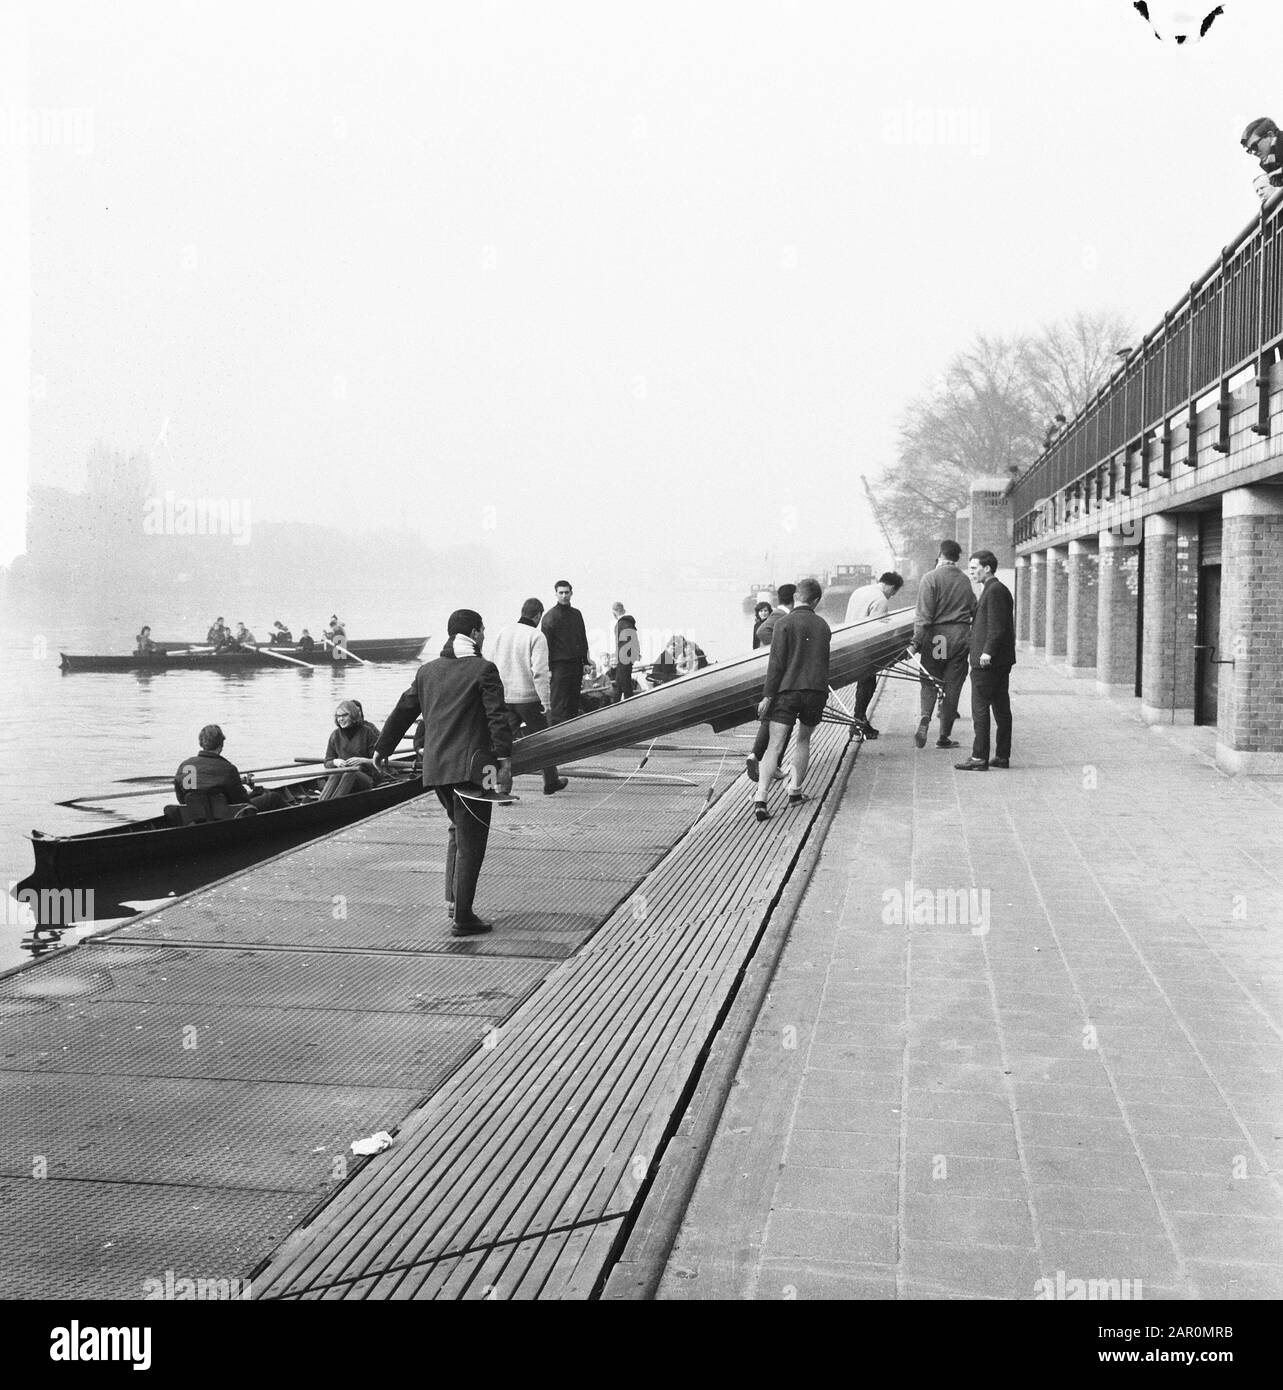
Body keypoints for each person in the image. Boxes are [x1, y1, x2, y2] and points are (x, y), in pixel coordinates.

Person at [373, 609, 513, 936]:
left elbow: (404, 709)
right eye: (482, 630)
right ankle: (463, 918)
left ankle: (454, 901)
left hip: (436, 771)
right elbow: (498, 719)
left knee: (457, 830)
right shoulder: (484, 670)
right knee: (472, 843)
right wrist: (505, 762)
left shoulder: (427, 671)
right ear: (476, 633)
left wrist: (382, 748)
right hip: (474, 771)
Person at [751, 577, 831, 823]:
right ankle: (794, 792)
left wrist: (767, 696)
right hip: (815, 691)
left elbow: (776, 665)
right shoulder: (823, 626)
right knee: (803, 741)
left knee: (775, 744)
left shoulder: (783, 623)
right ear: (816, 600)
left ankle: (761, 798)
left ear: (797, 596)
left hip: (787, 692)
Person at [492, 598, 568, 795]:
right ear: (538, 615)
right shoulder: (536, 636)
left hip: (505, 697)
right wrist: (545, 701)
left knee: (502, 744)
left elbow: (492, 663)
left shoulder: (504, 632)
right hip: (528, 699)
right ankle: (550, 781)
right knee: (544, 741)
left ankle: (501, 788)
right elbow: (540, 672)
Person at [911, 539, 977, 751]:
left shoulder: (930, 578)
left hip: (937, 639)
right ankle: (944, 736)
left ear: (940, 555)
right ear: (957, 558)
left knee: (930, 680)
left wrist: (915, 642)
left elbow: (923, 616)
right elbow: (974, 608)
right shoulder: (965, 580)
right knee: (952, 687)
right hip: (959, 637)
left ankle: (924, 716)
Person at [956, 549, 1015, 772]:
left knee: (980, 708)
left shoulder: (995, 591)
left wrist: (987, 652)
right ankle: (1001, 756)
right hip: (999, 662)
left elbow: (997, 626)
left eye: (973, 568)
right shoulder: (994, 589)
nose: (971, 572)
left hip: (987, 663)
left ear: (987, 568)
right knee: (1001, 708)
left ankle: (979, 757)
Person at [172, 724, 288, 819]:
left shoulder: (185, 766)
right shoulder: (228, 769)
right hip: (227, 816)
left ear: (201, 744)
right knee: (273, 797)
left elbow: (182, 799)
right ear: (221, 745)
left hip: (196, 815)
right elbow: (242, 802)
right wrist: (255, 793)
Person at [843, 571, 905, 739]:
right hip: (865, 648)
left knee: (862, 684)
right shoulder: (880, 600)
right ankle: (858, 722)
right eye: (894, 592)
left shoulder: (860, 591)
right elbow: (877, 632)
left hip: (849, 642)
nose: (892, 596)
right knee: (868, 685)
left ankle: (860, 721)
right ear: (891, 586)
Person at [745, 583, 797, 781]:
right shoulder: (780, 615)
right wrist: (782, 648)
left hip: (772, 673)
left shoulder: (780, 615)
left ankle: (755, 755)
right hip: (778, 675)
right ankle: (773, 765)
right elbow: (762, 632)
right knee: (785, 721)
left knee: (770, 718)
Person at [540, 580, 589, 723]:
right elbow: (546, 646)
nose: (564, 596)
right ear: (555, 594)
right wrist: (547, 669)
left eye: (566, 592)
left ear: (571, 593)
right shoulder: (549, 617)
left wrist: (585, 661)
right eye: (560, 593)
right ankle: (557, 738)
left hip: (576, 665)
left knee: (573, 701)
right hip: (558, 666)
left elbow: (582, 638)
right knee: (558, 704)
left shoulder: (576, 614)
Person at [318, 699, 386, 799]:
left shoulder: (367, 732)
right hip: (343, 775)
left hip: (367, 777)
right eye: (338, 716)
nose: (340, 719)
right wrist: (335, 762)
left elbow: (379, 761)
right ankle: (321, 802)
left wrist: (362, 760)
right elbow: (327, 762)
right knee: (335, 773)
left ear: (353, 716)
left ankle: (332, 805)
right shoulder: (335, 735)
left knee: (349, 773)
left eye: (344, 715)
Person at [1242, 117, 1283, 201]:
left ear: (1270, 135)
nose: (1254, 153)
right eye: (1250, 150)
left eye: (1254, 146)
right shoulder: (1268, 162)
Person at [611, 601, 639, 700]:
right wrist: (636, 653)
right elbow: (634, 639)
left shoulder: (620, 624)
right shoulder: (629, 623)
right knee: (619, 682)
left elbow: (620, 644)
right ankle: (615, 703)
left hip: (623, 657)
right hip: (628, 656)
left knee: (624, 682)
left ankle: (629, 703)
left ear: (614, 613)